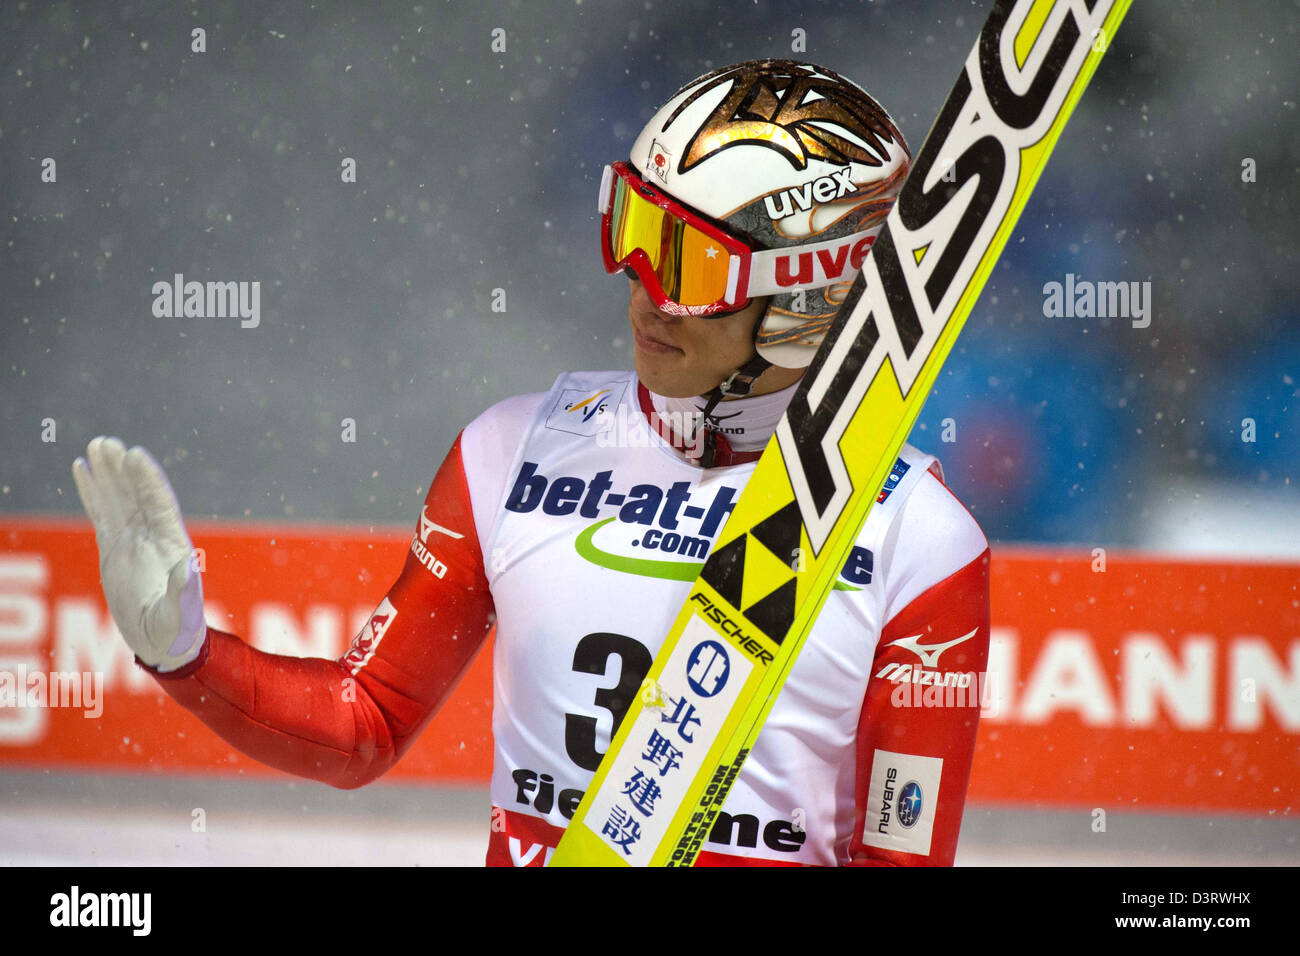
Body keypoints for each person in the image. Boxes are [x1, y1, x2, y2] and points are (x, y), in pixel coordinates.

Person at [73, 59, 990, 866]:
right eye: (633, 228)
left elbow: (900, 859)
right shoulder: (509, 452)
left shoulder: (919, 538)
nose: (642, 289)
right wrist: (184, 656)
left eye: (688, 264)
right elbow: (362, 723)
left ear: (811, 298)